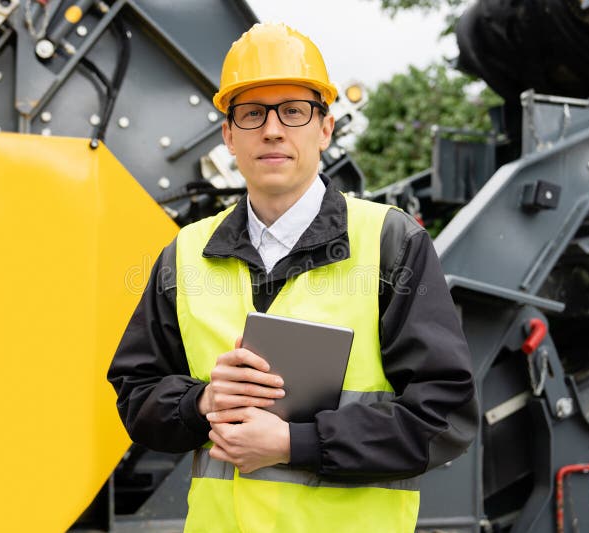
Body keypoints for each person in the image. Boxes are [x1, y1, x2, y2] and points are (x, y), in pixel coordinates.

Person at [108, 22, 478, 533]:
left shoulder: (391, 243)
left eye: (294, 111)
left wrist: (291, 443)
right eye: (252, 113)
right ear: (229, 135)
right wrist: (202, 403)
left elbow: (444, 417)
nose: (273, 129)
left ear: (324, 128)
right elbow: (135, 394)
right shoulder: (185, 253)